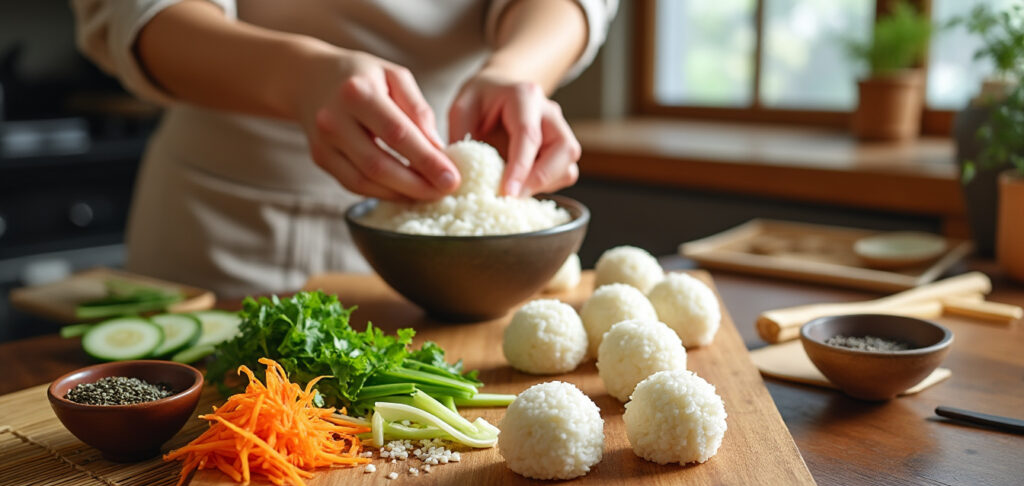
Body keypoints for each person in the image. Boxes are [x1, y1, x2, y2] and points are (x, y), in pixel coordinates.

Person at [71, 0, 617, 297]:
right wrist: (295, 77)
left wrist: (518, 70)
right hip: (223, 230)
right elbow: (135, 13)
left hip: (454, 242)